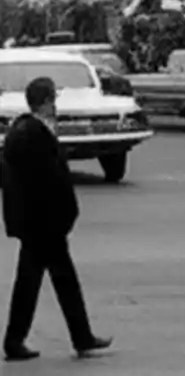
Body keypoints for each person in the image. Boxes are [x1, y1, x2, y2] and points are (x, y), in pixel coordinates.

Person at [1, 77, 111, 361]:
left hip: (37, 223)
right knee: (56, 280)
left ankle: (20, 340)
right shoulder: (32, 134)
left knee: (36, 281)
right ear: (46, 101)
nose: (56, 105)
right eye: (53, 99)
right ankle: (77, 337)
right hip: (43, 224)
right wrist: (62, 215)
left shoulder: (26, 130)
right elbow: (45, 181)